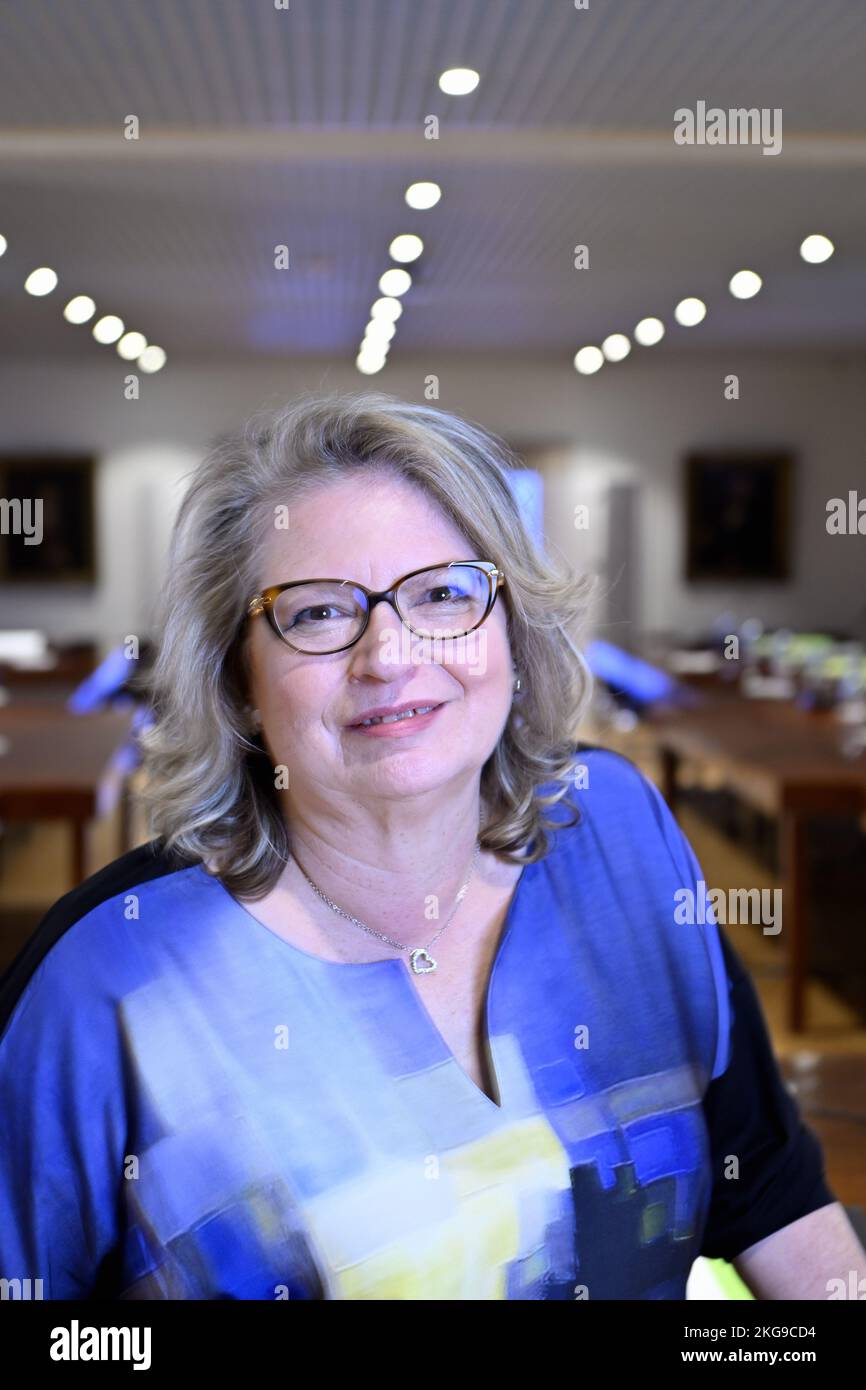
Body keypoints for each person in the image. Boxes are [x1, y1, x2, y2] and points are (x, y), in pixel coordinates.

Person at [0, 391, 863, 1301]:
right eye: (321, 613)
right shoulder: (107, 978)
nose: (390, 655)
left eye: (444, 593)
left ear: (511, 632)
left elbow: (769, 1193)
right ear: (239, 680)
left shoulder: (615, 827)